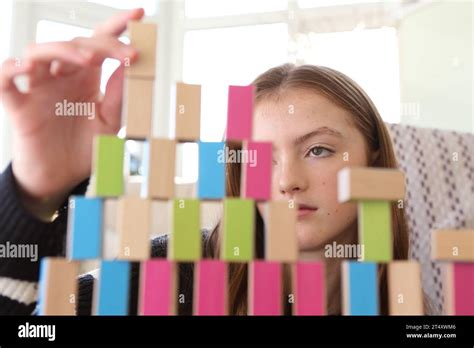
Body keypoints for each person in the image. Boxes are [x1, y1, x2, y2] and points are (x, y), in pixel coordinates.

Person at [0, 8, 431, 315]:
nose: (288, 182)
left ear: (375, 163)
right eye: (260, 157)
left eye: (318, 150)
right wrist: (38, 188)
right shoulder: (165, 274)